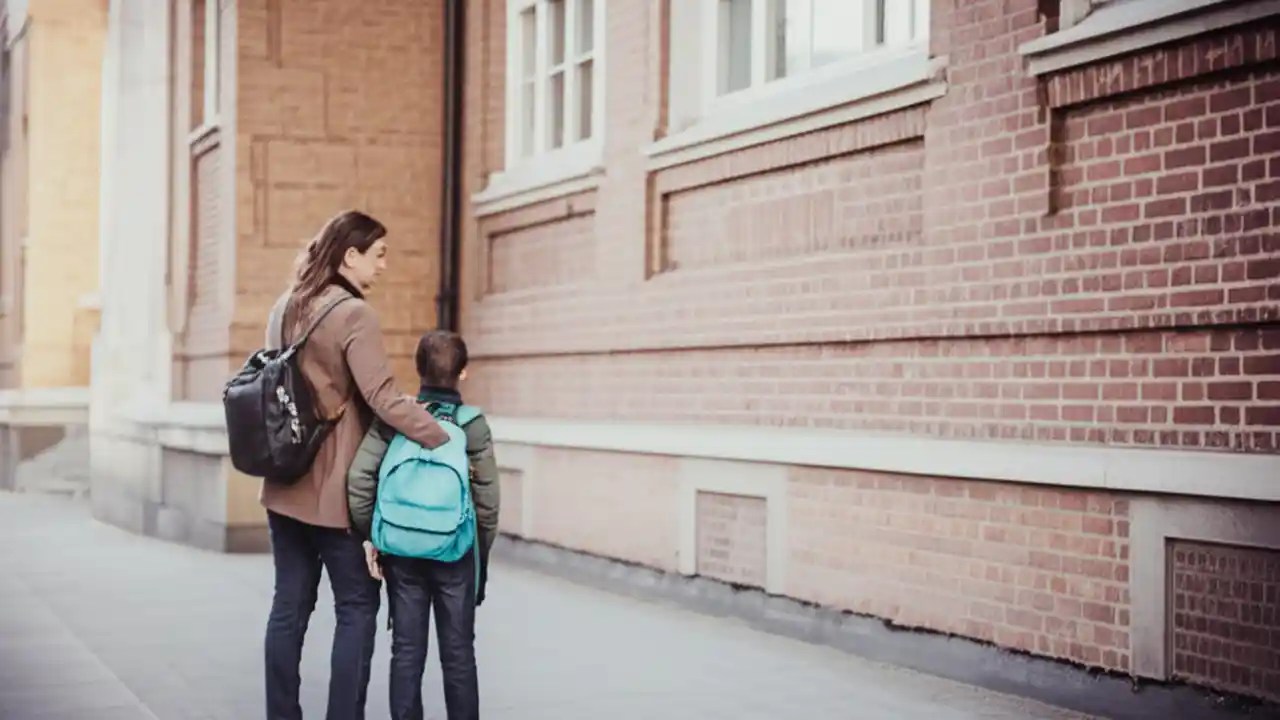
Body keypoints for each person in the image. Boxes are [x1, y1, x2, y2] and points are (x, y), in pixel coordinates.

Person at [261, 210, 450, 720]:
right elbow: (385, 398)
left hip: (283, 485)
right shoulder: (354, 315)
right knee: (357, 609)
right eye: (379, 253)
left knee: (288, 608)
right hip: (335, 495)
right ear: (351, 255)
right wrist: (443, 436)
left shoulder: (285, 306)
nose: (384, 265)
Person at [347, 330, 500, 720]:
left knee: (406, 651)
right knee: (459, 654)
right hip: (455, 554)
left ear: (418, 371)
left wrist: (374, 537)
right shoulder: (472, 425)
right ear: (462, 373)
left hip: (401, 551)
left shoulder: (398, 418)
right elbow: (488, 501)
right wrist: (478, 547)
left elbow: (360, 479)